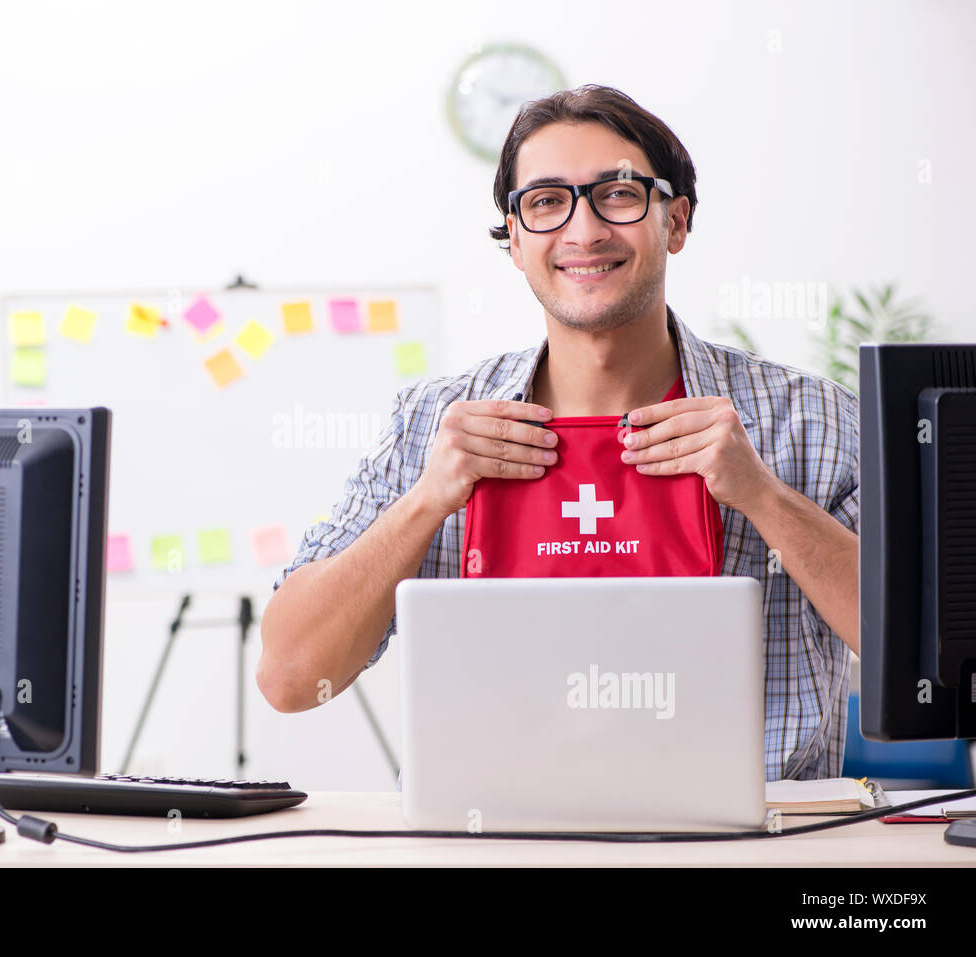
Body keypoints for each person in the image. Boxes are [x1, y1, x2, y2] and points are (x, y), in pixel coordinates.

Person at [257, 85, 858, 782]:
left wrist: (763, 496)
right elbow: (291, 677)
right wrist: (426, 501)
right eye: (546, 203)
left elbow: (921, 672)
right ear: (514, 240)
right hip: (497, 843)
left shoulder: (811, 420)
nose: (584, 231)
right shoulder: (432, 424)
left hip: (761, 849)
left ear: (676, 222)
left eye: (620, 194)